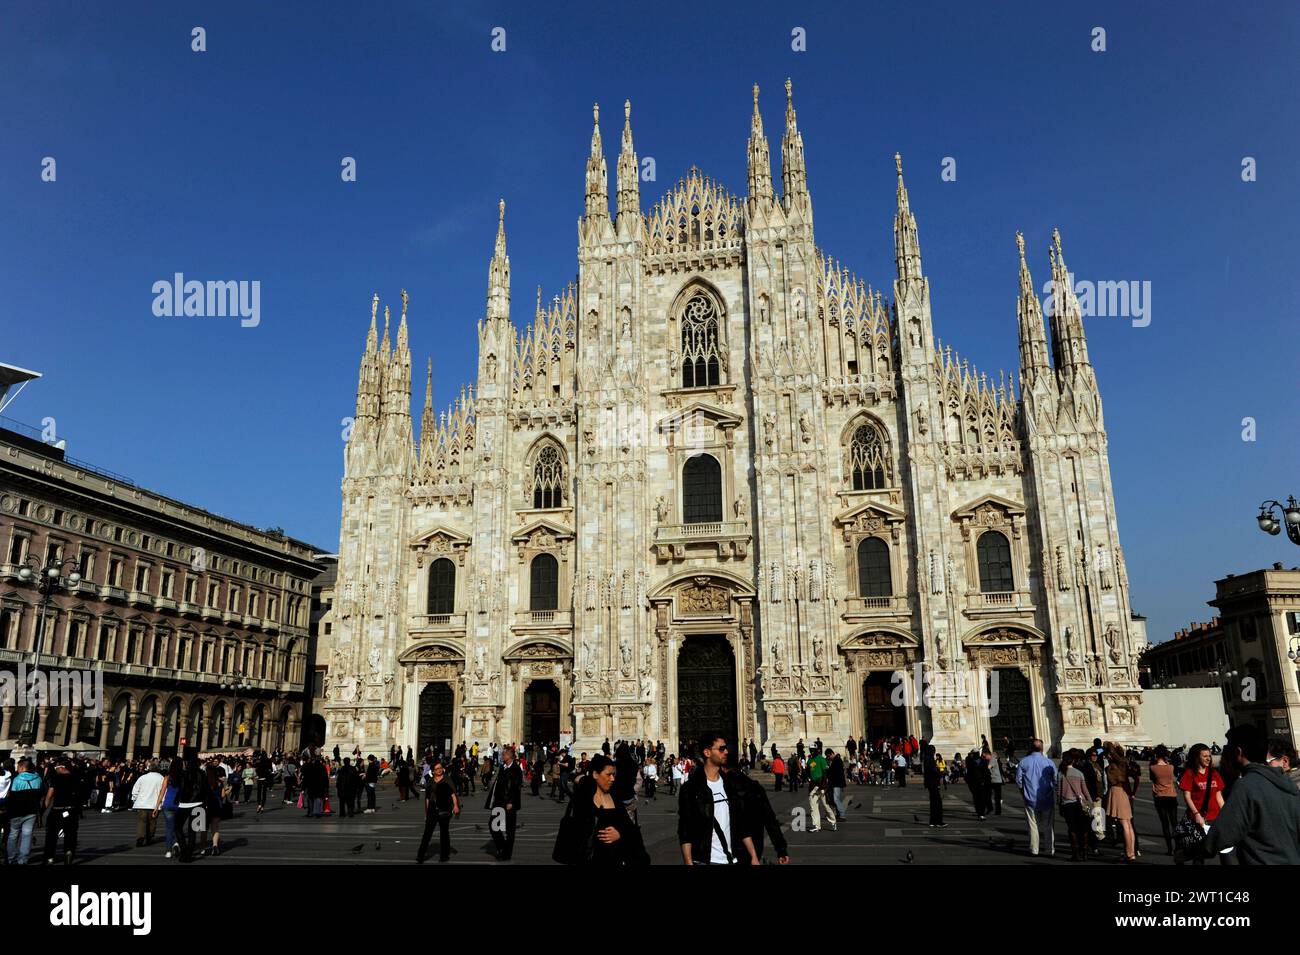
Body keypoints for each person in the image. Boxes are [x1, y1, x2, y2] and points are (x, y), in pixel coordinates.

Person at [1200, 725, 1300, 864]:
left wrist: (1190, 851)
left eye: (1228, 749)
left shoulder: (1245, 786)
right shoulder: (1288, 785)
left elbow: (1222, 835)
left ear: (1238, 752)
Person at [552, 754, 649, 865]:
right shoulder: (583, 799)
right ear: (595, 774)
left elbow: (631, 830)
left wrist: (620, 834)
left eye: (613, 775)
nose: (612, 779)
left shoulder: (615, 800)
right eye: (608, 775)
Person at [677, 734, 759, 865]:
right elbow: (685, 829)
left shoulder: (730, 785)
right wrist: (688, 861)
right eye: (722, 749)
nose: (726, 751)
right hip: (704, 860)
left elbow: (740, 823)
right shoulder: (691, 788)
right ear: (707, 752)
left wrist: (753, 856)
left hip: (732, 859)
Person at [1178, 742, 1225, 864]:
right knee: (1199, 853)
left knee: (1223, 851)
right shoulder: (1190, 773)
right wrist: (1196, 814)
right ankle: (1182, 854)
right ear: (1196, 757)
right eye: (1204, 756)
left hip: (1216, 818)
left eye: (1209, 755)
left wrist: (1226, 813)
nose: (1208, 758)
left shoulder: (1214, 773)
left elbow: (1219, 796)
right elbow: (1187, 796)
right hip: (1200, 819)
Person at [1015, 738, 1057, 857]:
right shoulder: (1049, 762)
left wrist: (1023, 793)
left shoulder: (1023, 762)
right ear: (1042, 748)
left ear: (1031, 748)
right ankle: (1049, 850)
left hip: (1030, 799)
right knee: (1048, 826)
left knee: (1033, 825)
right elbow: (1055, 780)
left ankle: (1034, 849)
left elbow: (1018, 781)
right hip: (1047, 799)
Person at [416, 761, 459, 863]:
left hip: (444, 809)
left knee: (444, 833)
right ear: (433, 771)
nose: (439, 770)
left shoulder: (447, 780)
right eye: (437, 769)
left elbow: (453, 794)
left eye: (440, 768)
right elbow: (427, 798)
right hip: (432, 809)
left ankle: (444, 856)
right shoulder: (430, 781)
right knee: (427, 834)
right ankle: (420, 856)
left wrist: (456, 806)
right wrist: (426, 813)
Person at [486, 744, 523, 861]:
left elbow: (516, 787)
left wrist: (511, 801)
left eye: (503, 754)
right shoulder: (503, 768)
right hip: (499, 802)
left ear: (509, 756)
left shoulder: (516, 769)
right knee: (494, 826)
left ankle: (506, 854)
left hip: (509, 803)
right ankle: (502, 847)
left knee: (510, 830)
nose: (501, 756)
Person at [5, 758, 43, 865]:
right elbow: (40, 794)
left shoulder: (17, 779)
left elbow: (11, 797)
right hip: (31, 811)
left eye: (18, 767)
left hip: (16, 812)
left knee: (13, 835)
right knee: (27, 835)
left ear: (22, 767)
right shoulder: (38, 778)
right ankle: (23, 859)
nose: (17, 770)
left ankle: (11, 858)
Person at [42, 758, 81, 865]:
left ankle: (50, 857)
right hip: (72, 809)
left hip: (57, 810)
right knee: (71, 834)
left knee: (51, 834)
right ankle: (69, 852)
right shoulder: (76, 778)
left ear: (62, 767)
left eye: (57, 767)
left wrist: (44, 808)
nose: (56, 769)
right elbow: (79, 795)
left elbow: (50, 795)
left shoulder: (56, 778)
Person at [1104, 742, 1138, 862]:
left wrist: (1109, 745)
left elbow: (1113, 754)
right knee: (1127, 824)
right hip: (1120, 792)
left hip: (1118, 792)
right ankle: (1130, 852)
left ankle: (1130, 853)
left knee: (1124, 824)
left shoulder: (1120, 762)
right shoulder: (1118, 764)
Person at [1057, 749, 1091, 861]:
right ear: (1072, 761)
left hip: (1067, 804)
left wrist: (1059, 805)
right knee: (1084, 829)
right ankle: (1085, 852)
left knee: (1072, 829)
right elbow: (1085, 791)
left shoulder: (1061, 774)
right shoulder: (1079, 773)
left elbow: (1059, 791)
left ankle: (1075, 854)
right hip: (1080, 804)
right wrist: (1090, 803)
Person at [1149, 745, 1179, 855]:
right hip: (1171, 796)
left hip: (1159, 796)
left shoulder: (1153, 767)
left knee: (1165, 824)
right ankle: (1178, 847)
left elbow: (1152, 778)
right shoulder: (1171, 767)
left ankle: (1170, 849)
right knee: (1174, 823)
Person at [130, 760, 166, 848]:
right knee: (152, 822)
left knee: (142, 822)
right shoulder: (161, 778)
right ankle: (149, 837)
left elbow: (135, 790)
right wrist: (162, 803)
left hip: (142, 803)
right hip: (155, 805)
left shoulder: (142, 777)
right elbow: (164, 792)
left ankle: (140, 838)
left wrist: (134, 799)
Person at [806, 747, 836, 833]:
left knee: (825, 806)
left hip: (822, 785)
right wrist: (808, 777)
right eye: (810, 750)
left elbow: (825, 772)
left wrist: (823, 786)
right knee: (813, 806)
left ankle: (833, 821)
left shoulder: (821, 759)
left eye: (813, 750)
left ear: (817, 750)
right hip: (813, 786)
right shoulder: (809, 760)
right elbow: (808, 770)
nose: (812, 751)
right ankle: (816, 825)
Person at [922, 744, 946, 828]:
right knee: (937, 802)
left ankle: (932, 821)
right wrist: (939, 771)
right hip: (933, 783)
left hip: (929, 783)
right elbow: (934, 770)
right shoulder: (930, 760)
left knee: (933, 802)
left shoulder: (926, 758)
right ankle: (938, 821)